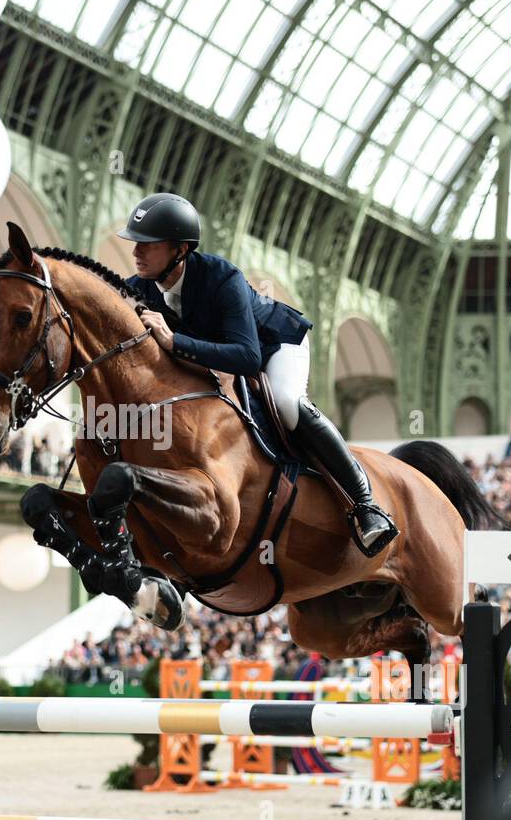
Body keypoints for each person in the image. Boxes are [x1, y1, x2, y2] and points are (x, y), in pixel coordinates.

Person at [119, 192, 397, 556]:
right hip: (219, 356)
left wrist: (174, 342)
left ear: (180, 250)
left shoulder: (222, 277)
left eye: (148, 244)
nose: (136, 251)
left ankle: (365, 504)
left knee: (286, 402)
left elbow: (248, 357)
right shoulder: (137, 288)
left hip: (274, 345)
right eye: (136, 242)